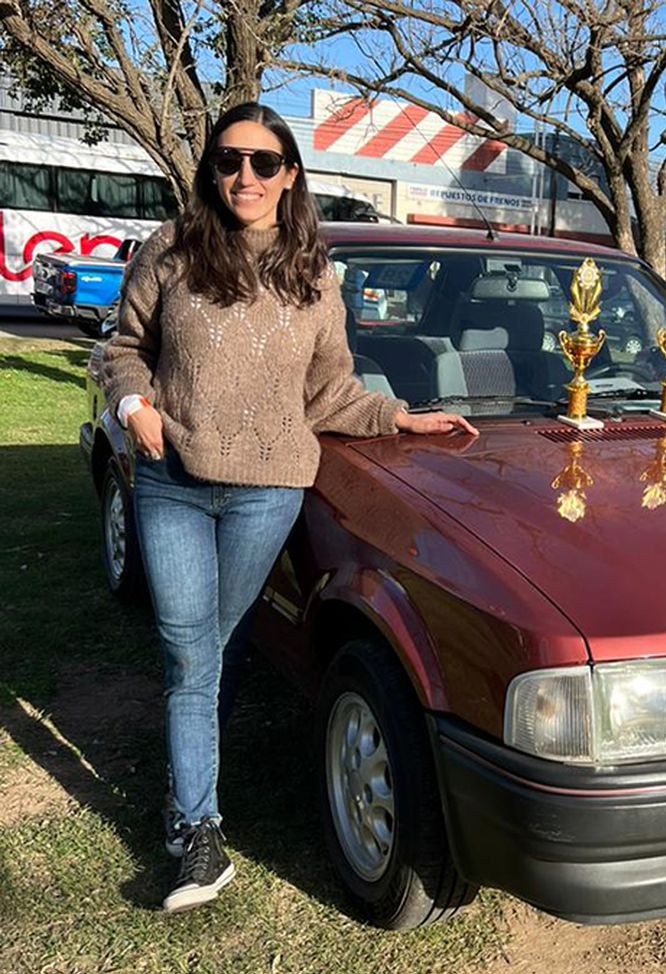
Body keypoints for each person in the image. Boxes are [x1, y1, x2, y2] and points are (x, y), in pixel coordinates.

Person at [101, 102, 477, 914]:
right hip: (173, 479)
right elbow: (124, 346)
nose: (246, 177)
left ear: (290, 175)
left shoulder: (312, 272)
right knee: (188, 647)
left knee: (221, 638)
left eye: (263, 163)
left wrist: (397, 415)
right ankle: (197, 830)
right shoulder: (172, 249)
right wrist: (135, 407)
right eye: (231, 161)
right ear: (212, 169)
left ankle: (187, 761)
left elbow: (330, 389)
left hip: (269, 488)